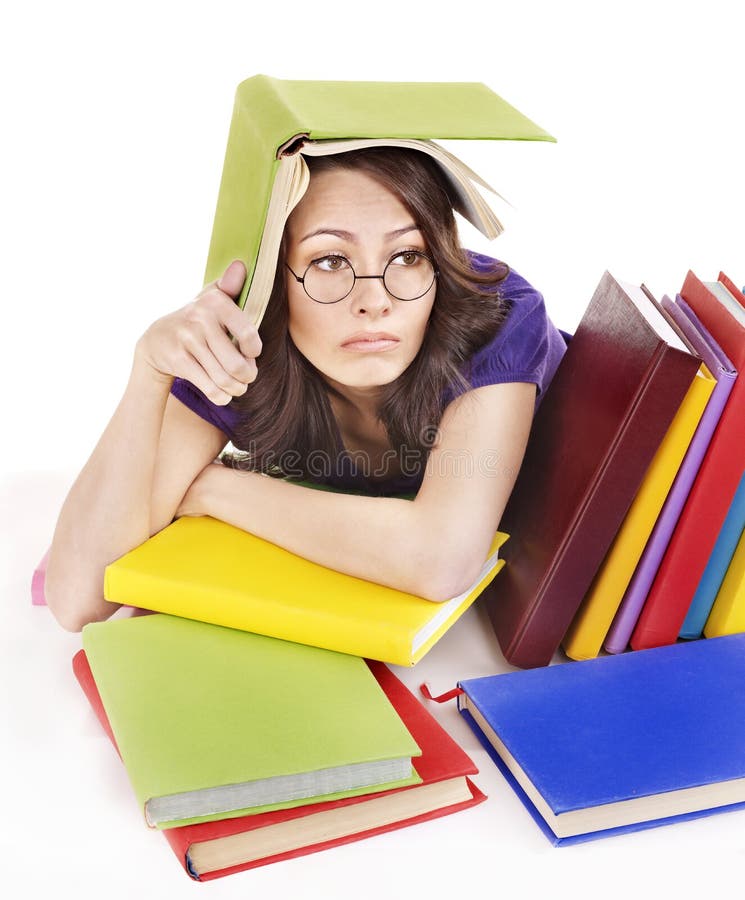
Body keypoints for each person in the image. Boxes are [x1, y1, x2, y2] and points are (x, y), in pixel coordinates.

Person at [45, 147, 567, 632]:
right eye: (330, 261)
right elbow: (76, 599)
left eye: (408, 255)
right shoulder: (243, 345)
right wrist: (148, 372)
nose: (375, 301)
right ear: (273, 277)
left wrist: (210, 488)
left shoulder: (495, 317)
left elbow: (441, 560)